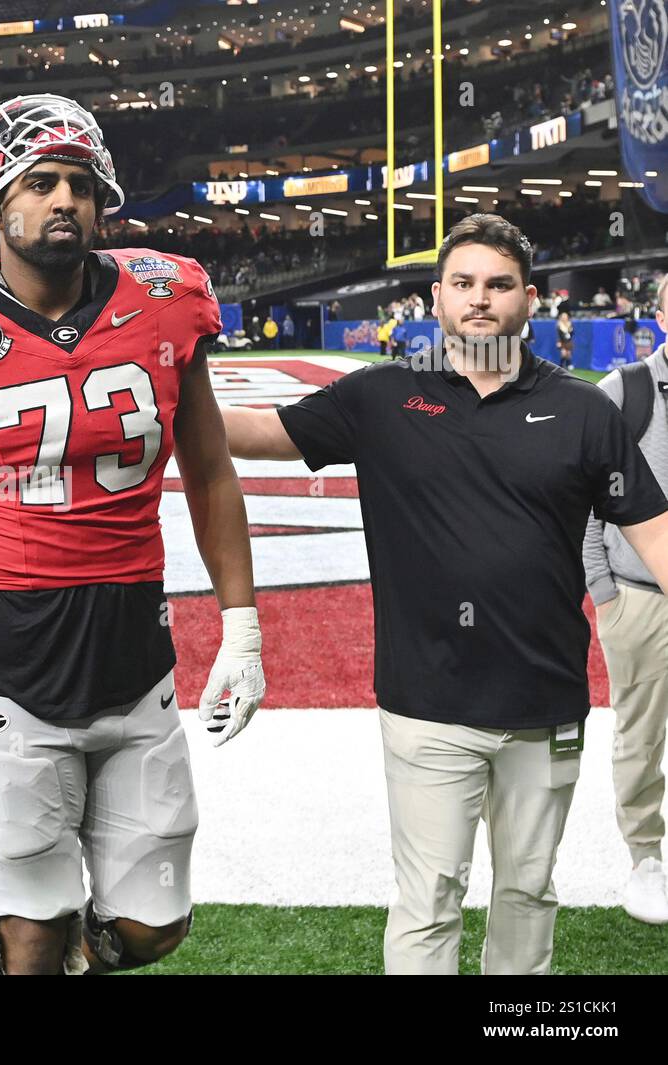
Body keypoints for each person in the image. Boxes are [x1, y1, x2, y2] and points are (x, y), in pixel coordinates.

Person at [0, 94, 266, 975]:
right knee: (33, 935)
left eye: (80, 183)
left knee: (157, 924)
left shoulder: (166, 296)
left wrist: (243, 629)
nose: (65, 200)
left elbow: (212, 470)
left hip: (130, 642)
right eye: (40, 182)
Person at [224, 214, 668, 974]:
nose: (480, 299)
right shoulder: (379, 399)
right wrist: (145, 388)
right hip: (426, 705)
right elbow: (252, 432)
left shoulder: (585, 411)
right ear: (436, 299)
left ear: (531, 299)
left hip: (545, 703)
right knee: (428, 899)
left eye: (499, 285)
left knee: (528, 895)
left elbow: (656, 536)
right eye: (463, 284)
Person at [584, 273, 668, 924]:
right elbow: (580, 500)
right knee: (640, 735)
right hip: (641, 600)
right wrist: (605, 592)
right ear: (660, 316)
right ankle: (646, 857)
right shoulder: (626, 391)